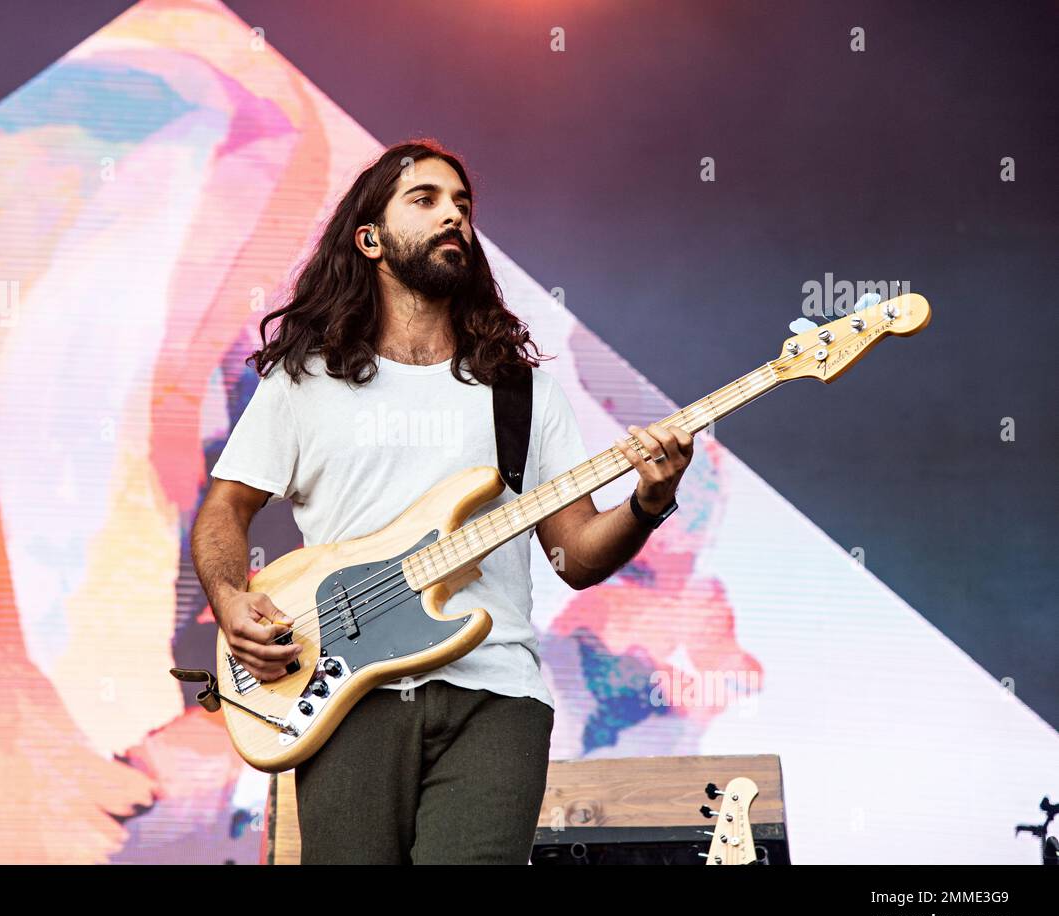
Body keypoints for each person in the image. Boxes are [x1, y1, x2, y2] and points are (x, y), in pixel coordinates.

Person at [191, 139, 693, 864]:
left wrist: (647, 502)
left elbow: (575, 555)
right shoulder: (305, 383)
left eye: (462, 203)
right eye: (424, 200)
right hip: (345, 693)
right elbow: (223, 510)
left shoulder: (522, 393)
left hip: (496, 690)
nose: (453, 214)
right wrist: (232, 599)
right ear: (369, 239)